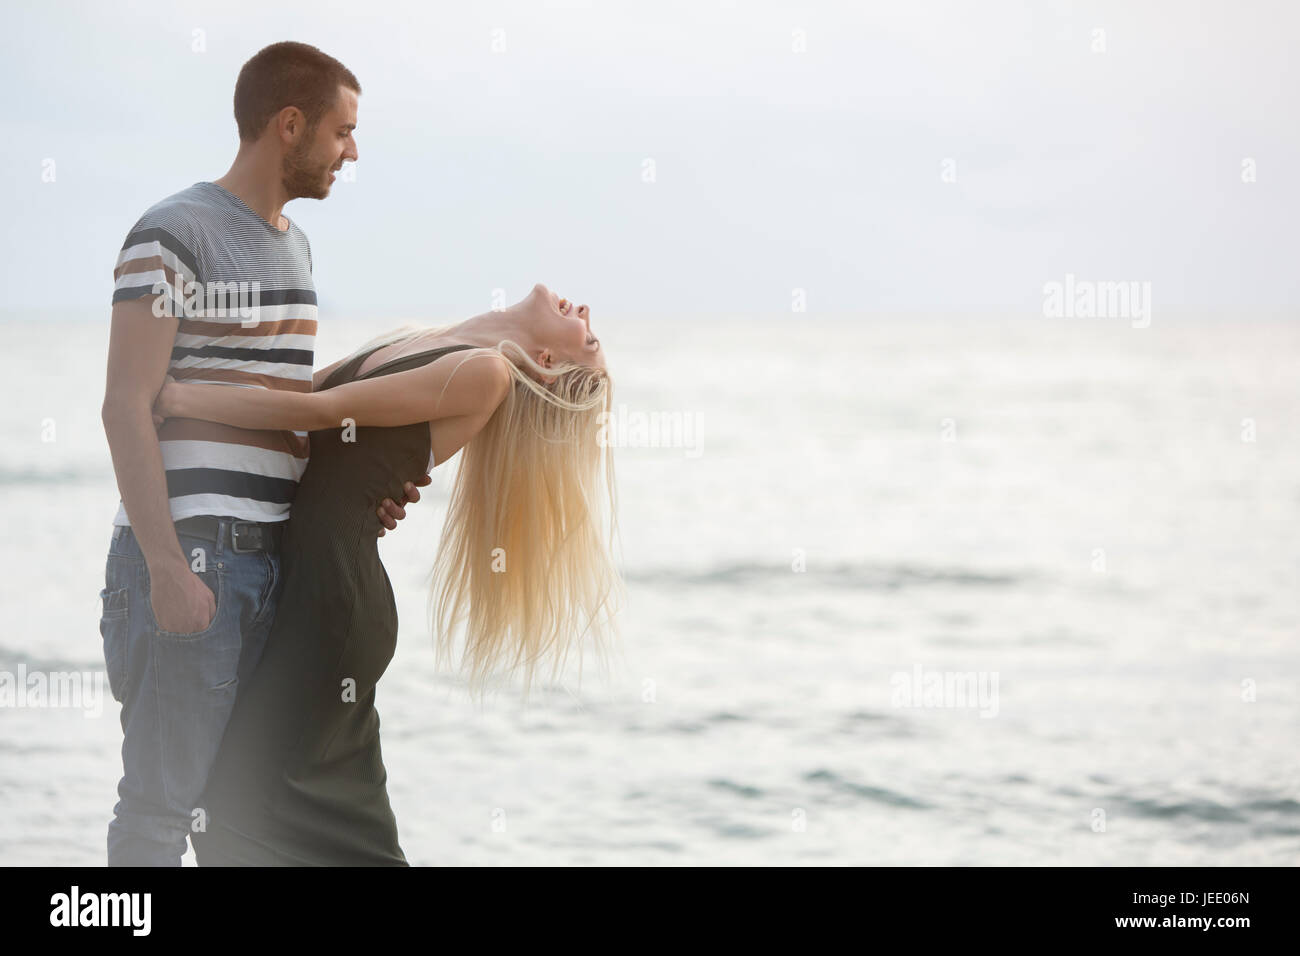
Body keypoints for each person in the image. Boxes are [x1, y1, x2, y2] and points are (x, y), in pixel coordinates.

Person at [152, 283, 624, 865]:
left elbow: (315, 412)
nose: (583, 310)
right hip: (313, 581)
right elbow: (305, 400)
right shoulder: (432, 340)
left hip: (335, 601)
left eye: (590, 334)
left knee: (238, 803)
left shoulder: (486, 374)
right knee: (260, 808)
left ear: (547, 363)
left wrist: (176, 397)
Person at [97, 41, 420, 866]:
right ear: (289, 125)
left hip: (272, 565)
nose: (352, 151)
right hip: (197, 555)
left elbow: (286, 415)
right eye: (342, 131)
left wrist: (354, 497)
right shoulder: (172, 233)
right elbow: (126, 406)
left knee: (236, 813)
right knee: (162, 808)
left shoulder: (296, 249)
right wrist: (168, 567)